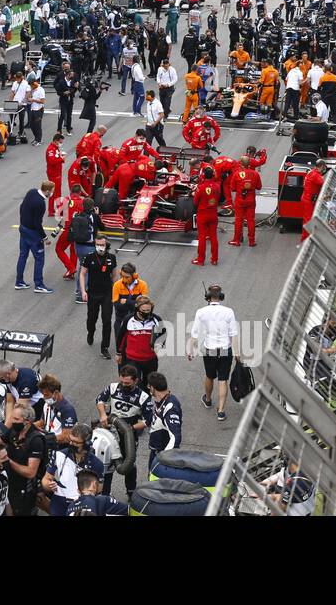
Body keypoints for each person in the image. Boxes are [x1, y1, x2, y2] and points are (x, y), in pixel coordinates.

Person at [188, 285, 241, 422]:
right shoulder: (228, 311)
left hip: (210, 349)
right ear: (221, 296)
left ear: (207, 297)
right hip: (225, 348)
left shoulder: (201, 312)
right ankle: (221, 411)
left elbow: (195, 333)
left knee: (209, 376)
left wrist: (191, 350)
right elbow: (233, 334)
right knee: (223, 380)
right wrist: (237, 352)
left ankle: (208, 399)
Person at [97, 364, 151, 493]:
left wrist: (130, 428)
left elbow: (147, 421)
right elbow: (99, 400)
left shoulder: (143, 397)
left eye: (127, 383)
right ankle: (105, 492)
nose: (123, 385)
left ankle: (131, 491)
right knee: (106, 462)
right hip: (110, 430)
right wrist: (103, 415)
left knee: (129, 463)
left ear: (135, 381)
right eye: (121, 381)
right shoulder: (113, 387)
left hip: (128, 434)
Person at [41, 422, 106, 516]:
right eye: (70, 440)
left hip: (81, 508)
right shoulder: (59, 455)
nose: (71, 444)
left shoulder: (97, 464)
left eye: (76, 442)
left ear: (87, 444)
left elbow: (99, 490)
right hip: (59, 505)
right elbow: (45, 479)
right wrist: (48, 485)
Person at [2, 403, 47, 516]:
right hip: (10, 485)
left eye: (16, 419)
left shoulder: (35, 440)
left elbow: (31, 472)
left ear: (27, 422)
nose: (12, 421)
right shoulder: (14, 430)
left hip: (24, 490)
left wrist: (8, 461)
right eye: (12, 417)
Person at [79, 236, 118, 359]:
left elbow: (115, 276)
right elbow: (82, 273)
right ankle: (91, 332)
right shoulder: (89, 257)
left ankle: (104, 347)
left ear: (106, 245)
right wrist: (83, 291)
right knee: (92, 318)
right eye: (98, 244)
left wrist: (115, 292)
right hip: (93, 293)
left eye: (102, 244)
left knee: (107, 320)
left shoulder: (112, 258)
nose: (100, 246)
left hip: (107, 293)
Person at [17, 181, 53, 294]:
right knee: (39, 258)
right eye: (52, 191)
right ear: (47, 191)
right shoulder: (41, 203)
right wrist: (45, 238)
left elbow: (21, 207)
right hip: (33, 233)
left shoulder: (31, 192)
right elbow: (37, 223)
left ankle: (19, 281)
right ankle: (39, 284)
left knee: (23, 255)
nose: (52, 193)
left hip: (23, 228)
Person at [119, 296, 164, 379]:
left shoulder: (157, 319)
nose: (146, 312)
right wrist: (118, 353)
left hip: (151, 359)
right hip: (132, 360)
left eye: (148, 310)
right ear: (137, 308)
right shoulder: (128, 319)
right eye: (143, 310)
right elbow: (121, 337)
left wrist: (160, 344)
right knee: (136, 384)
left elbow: (163, 335)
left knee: (149, 386)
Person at [145, 372, 182, 472]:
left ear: (153, 388)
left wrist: (164, 459)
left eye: (149, 386)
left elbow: (176, 437)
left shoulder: (170, 407)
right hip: (155, 451)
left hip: (162, 457)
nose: (148, 388)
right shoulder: (159, 400)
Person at [227, 156, 262, 247]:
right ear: (249, 164)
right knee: (251, 220)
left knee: (239, 220)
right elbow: (259, 187)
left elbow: (233, 188)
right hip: (251, 200)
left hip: (240, 200)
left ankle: (237, 240)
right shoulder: (255, 174)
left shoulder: (236, 174)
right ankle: (251, 241)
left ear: (241, 163)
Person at [191, 165, 223, 266]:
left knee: (202, 237)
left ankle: (200, 260)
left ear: (204, 175)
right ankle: (214, 259)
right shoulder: (217, 186)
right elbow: (218, 198)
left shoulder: (200, 188)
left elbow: (195, 202)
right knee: (214, 237)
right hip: (213, 214)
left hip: (203, 215)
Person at [45, 133, 65, 216]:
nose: (61, 143)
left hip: (56, 172)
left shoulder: (55, 148)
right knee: (56, 192)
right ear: (56, 141)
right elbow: (51, 161)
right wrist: (61, 159)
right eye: (60, 142)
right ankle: (58, 210)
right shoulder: (50, 150)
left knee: (53, 192)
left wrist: (61, 158)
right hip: (54, 174)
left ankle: (51, 210)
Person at [27, 75, 46, 144]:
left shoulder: (41, 90)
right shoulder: (32, 90)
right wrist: (30, 92)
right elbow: (29, 97)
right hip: (33, 109)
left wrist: (33, 100)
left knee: (37, 125)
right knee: (32, 125)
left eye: (31, 85)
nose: (30, 87)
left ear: (34, 84)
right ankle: (36, 138)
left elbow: (42, 101)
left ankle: (39, 140)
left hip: (39, 110)